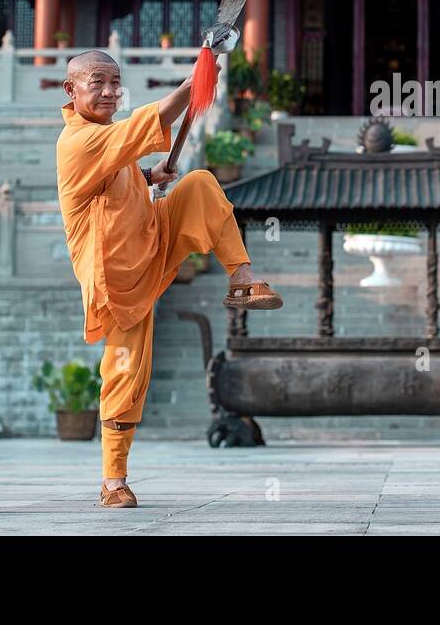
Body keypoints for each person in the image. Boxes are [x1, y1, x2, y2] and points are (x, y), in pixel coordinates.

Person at [56, 50, 283, 508]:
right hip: (117, 279)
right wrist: (193, 83)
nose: (108, 91)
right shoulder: (76, 142)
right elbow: (149, 121)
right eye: (96, 82)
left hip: (150, 238)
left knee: (199, 183)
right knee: (125, 371)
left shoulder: (106, 141)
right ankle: (113, 481)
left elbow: (119, 171)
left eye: (115, 83)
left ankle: (241, 277)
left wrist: (147, 176)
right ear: (71, 90)